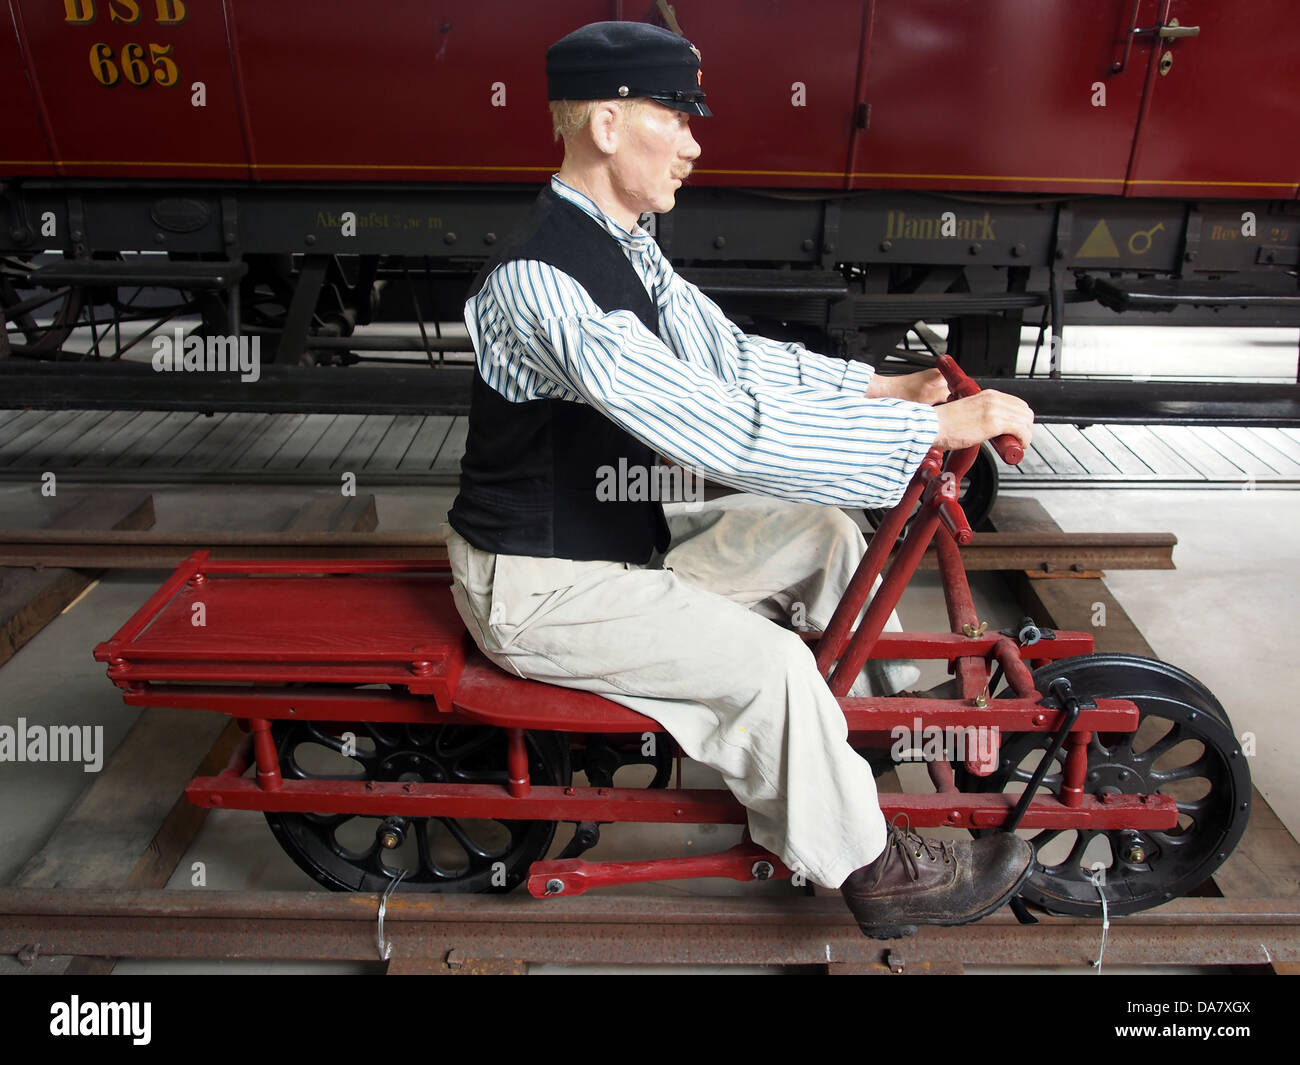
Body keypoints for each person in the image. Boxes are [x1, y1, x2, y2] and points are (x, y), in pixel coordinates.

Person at [442, 20, 1038, 937]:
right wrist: (925, 426)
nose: (694, 144)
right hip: (540, 587)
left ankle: (895, 729)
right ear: (606, 125)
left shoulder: (625, 243)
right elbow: (722, 429)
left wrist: (884, 384)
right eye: (676, 117)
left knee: (824, 531)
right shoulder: (540, 282)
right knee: (775, 667)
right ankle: (877, 869)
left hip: (618, 553)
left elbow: (730, 358)